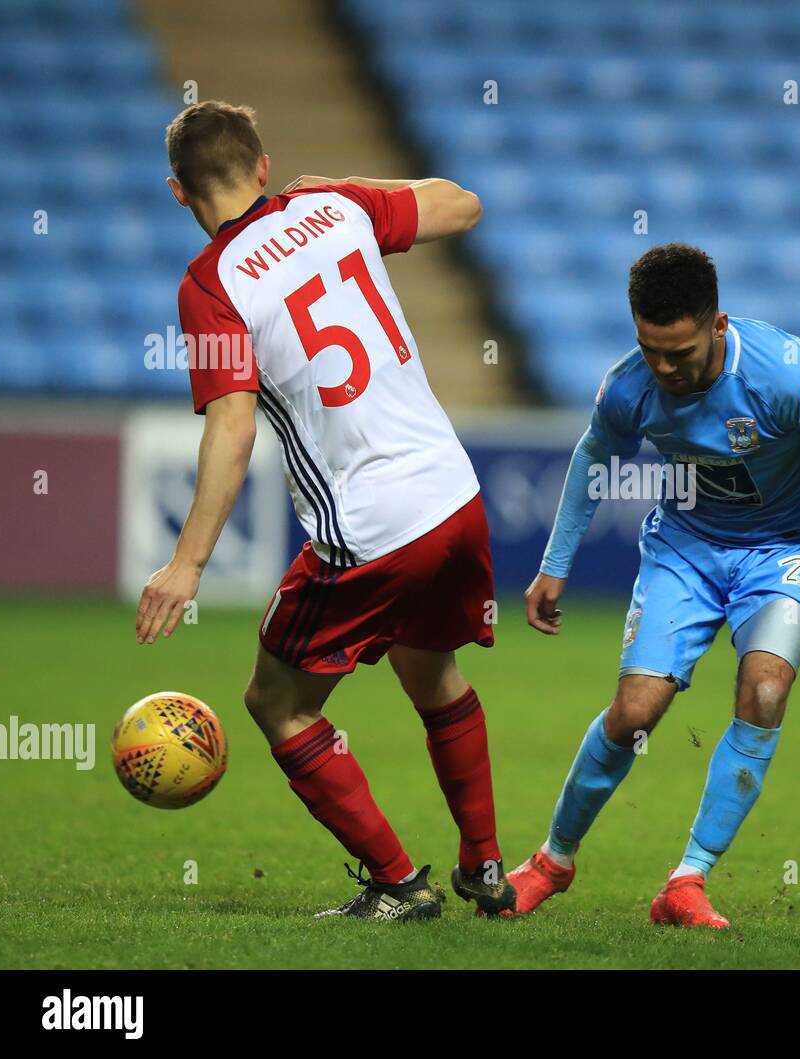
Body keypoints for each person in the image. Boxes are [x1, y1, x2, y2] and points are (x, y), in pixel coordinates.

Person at [136, 100, 515, 920]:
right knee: (432, 670)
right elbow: (464, 202)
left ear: (178, 192)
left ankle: (398, 884)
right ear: (264, 168)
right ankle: (485, 867)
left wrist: (188, 562)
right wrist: (346, 186)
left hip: (371, 524)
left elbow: (233, 425)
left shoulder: (209, 285)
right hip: (454, 494)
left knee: (276, 700)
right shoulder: (333, 208)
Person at [511, 243, 800, 928]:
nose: (665, 368)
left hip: (779, 553)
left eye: (679, 352)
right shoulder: (630, 386)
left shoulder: (788, 373)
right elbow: (593, 454)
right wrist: (555, 563)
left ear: (718, 324)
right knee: (633, 715)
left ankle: (686, 881)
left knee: (766, 687)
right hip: (684, 552)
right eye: (650, 349)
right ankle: (551, 863)